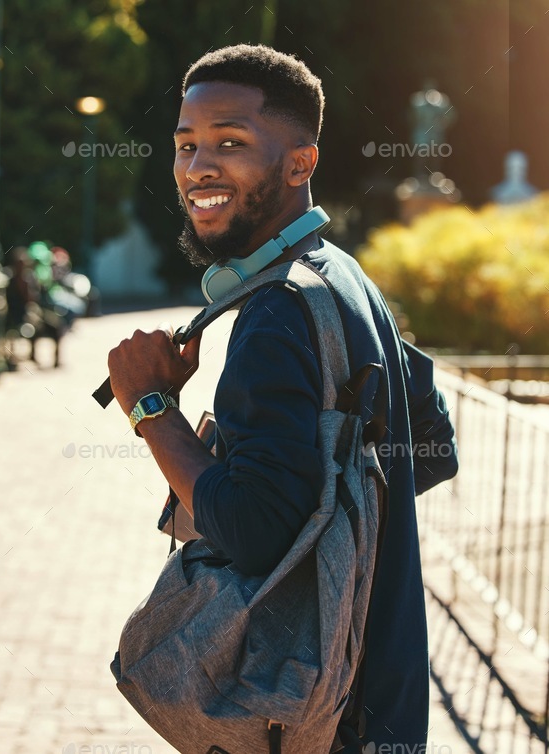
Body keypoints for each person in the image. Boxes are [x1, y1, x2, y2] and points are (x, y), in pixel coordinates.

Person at [107, 44, 458, 753]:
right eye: (185, 146)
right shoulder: (342, 275)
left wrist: (150, 407)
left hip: (312, 713)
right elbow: (431, 447)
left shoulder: (277, 312)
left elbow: (255, 532)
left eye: (230, 142)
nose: (198, 167)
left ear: (301, 163)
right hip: (379, 696)